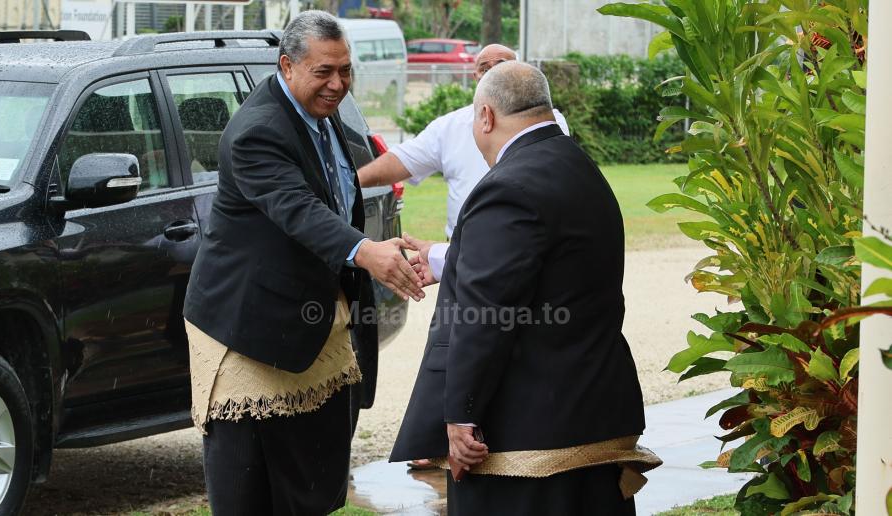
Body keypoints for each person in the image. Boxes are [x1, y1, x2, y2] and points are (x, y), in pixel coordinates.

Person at [389, 62, 661, 515]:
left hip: (530, 436)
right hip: (593, 409)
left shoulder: (507, 186)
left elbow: (486, 316)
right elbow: (545, 261)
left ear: (486, 117)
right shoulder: (577, 166)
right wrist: (444, 257)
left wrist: (460, 416)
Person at [182, 11, 423, 515]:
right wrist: (365, 250)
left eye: (345, 70)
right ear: (286, 66)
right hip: (244, 325)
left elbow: (336, 194)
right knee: (248, 480)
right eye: (323, 72)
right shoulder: (257, 132)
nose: (338, 84)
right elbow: (298, 208)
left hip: (312, 315)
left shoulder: (322, 113)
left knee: (315, 476)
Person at [358, 45, 569, 276]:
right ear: (475, 76)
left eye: (501, 65)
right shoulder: (450, 126)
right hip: (463, 250)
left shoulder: (546, 121)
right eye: (484, 67)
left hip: (523, 246)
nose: (491, 72)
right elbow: (402, 161)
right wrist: (352, 181)